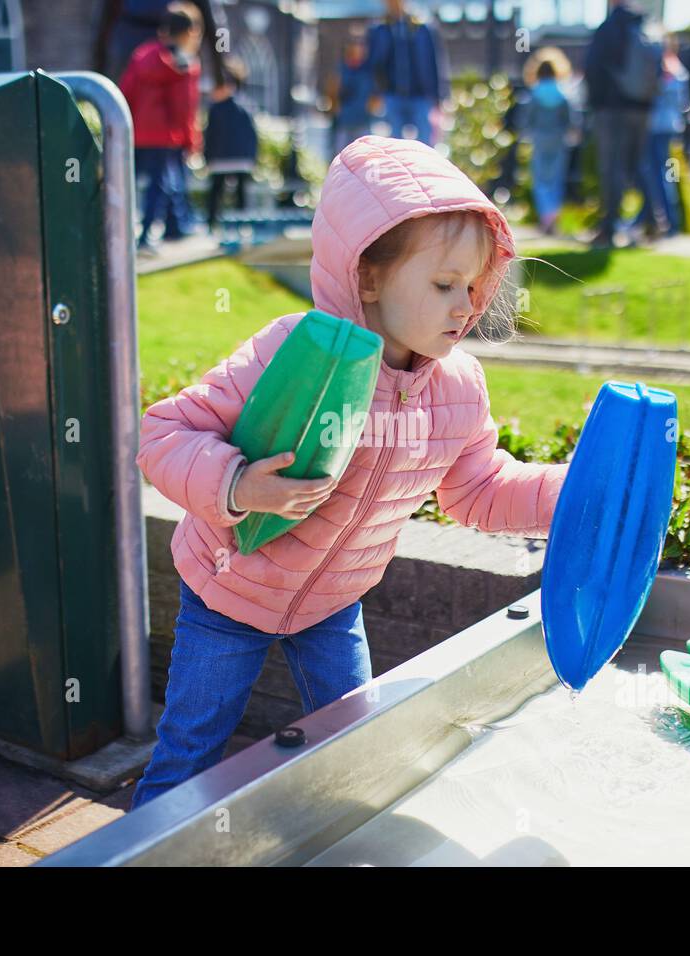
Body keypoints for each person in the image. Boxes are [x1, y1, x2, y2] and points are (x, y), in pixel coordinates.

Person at [128, 134, 570, 810]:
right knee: (191, 752)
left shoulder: (458, 388)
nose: (465, 305)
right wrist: (238, 486)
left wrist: (573, 492)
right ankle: (145, 851)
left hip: (332, 605)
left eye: (474, 286)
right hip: (228, 592)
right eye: (444, 284)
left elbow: (477, 491)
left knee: (360, 747)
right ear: (367, 275)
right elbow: (163, 434)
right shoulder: (297, 352)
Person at [120, 2, 203, 254]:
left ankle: (124, 234)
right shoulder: (185, 64)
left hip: (137, 133)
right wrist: (191, 141)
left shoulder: (142, 55)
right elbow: (184, 108)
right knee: (162, 185)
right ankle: (149, 234)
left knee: (128, 183)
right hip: (166, 136)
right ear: (189, 32)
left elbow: (126, 92)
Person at [582, 0, 659, 248]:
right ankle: (654, 221)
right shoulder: (647, 27)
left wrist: (595, 102)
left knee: (612, 168)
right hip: (642, 109)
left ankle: (609, 228)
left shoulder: (609, 28)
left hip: (612, 108)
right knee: (638, 165)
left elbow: (593, 69)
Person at [366, 0, 449, 146]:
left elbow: (434, 61)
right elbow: (374, 63)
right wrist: (374, 92)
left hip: (420, 95)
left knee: (425, 143)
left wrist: (440, 95)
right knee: (395, 145)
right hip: (393, 94)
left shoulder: (423, 26)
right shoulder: (379, 28)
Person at [632, 34, 689, 238]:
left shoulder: (666, 68)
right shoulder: (679, 68)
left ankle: (670, 222)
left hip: (657, 127)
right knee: (661, 175)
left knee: (659, 176)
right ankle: (645, 219)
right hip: (671, 127)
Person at [519, 49, 576, 236]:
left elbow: (526, 121)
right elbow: (570, 121)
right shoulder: (563, 95)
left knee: (541, 180)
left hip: (540, 141)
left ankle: (546, 217)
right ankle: (554, 217)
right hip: (559, 141)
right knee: (556, 178)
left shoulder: (534, 95)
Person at [203, 56, 257, 233]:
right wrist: (252, 157)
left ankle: (213, 225)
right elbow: (252, 135)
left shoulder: (216, 108)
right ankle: (241, 226)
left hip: (220, 158)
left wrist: (207, 157)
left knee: (216, 192)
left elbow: (210, 134)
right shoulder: (247, 105)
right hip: (241, 159)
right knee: (240, 193)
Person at [328, 35, 375, 157]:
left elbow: (375, 95)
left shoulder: (369, 70)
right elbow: (332, 94)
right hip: (343, 122)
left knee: (363, 158)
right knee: (340, 157)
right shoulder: (340, 70)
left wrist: (371, 108)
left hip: (363, 121)